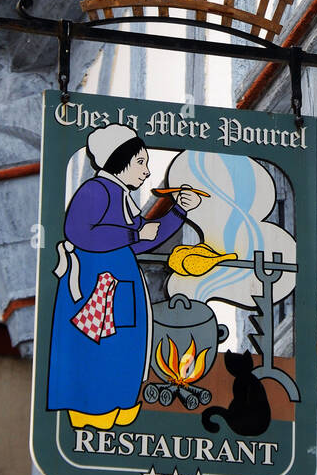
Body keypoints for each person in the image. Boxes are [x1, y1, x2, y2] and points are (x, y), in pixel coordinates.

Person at [47, 123, 202, 429]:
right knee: (98, 348)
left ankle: (120, 405)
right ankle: (92, 410)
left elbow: (145, 237)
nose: (146, 171)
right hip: (95, 284)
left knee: (125, 345)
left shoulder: (121, 194)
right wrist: (133, 232)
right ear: (120, 160)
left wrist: (178, 212)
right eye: (140, 162)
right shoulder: (95, 190)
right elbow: (79, 232)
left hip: (119, 282)